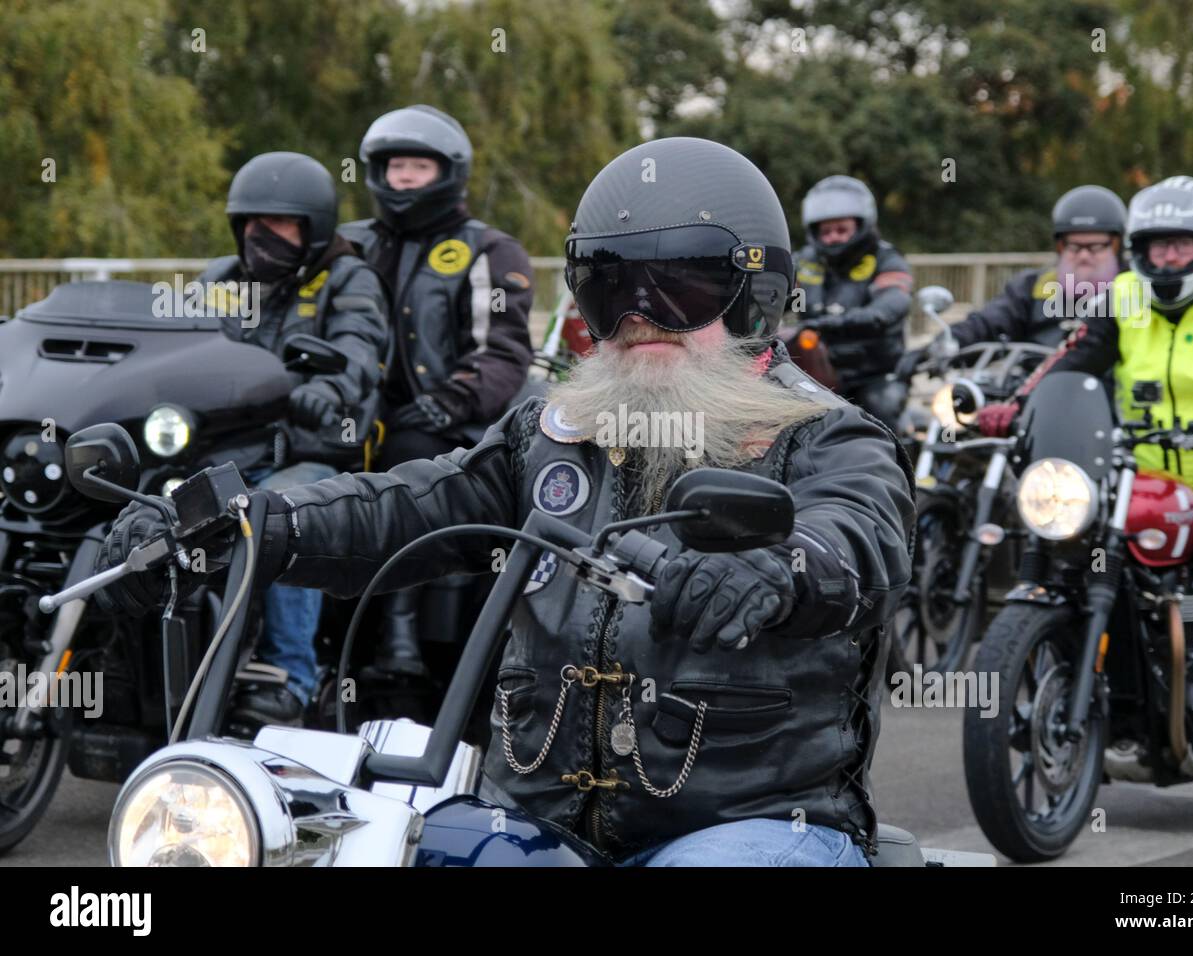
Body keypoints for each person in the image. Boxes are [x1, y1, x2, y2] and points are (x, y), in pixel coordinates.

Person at [96, 137, 916, 866]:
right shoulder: (550, 432)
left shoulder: (826, 434)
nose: (640, 318)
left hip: (753, 822)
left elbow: (858, 533)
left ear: (754, 294)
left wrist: (781, 569)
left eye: (680, 288)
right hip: (535, 821)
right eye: (612, 287)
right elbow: (408, 504)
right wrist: (238, 523)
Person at [977, 176, 1193, 732]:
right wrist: (1016, 403)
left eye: (1183, 245)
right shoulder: (1123, 295)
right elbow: (1071, 357)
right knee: (1082, 533)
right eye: (1157, 246)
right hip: (1146, 469)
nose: (1169, 258)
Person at [340, 105, 534, 679]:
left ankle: (398, 632)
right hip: (356, 410)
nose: (403, 177)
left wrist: (453, 398)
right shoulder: (347, 245)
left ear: (447, 172)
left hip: (449, 419)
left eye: (417, 166)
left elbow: (503, 351)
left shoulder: (489, 250)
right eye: (394, 165)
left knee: (409, 451)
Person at [198, 151, 389, 726]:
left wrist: (330, 389)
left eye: (280, 225)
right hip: (226, 451)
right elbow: (173, 346)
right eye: (253, 225)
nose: (264, 238)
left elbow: (361, 350)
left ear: (314, 228)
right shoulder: (220, 282)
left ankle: (292, 675)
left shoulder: (349, 278)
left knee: (275, 517)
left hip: (315, 451)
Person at [895, 185, 1128, 380]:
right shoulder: (1033, 288)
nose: (1084, 256)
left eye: (1096, 246)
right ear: (1060, 246)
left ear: (1117, 246)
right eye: (1074, 246)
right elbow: (988, 324)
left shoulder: (1133, 293)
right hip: (1034, 401)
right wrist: (940, 345)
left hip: (1110, 404)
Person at [792, 175, 914, 429]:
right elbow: (768, 295)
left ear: (861, 226)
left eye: (841, 229)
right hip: (817, 371)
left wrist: (836, 323)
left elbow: (892, 303)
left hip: (874, 373)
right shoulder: (803, 262)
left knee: (883, 415)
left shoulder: (886, 260)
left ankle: (899, 467)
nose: (833, 237)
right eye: (826, 231)